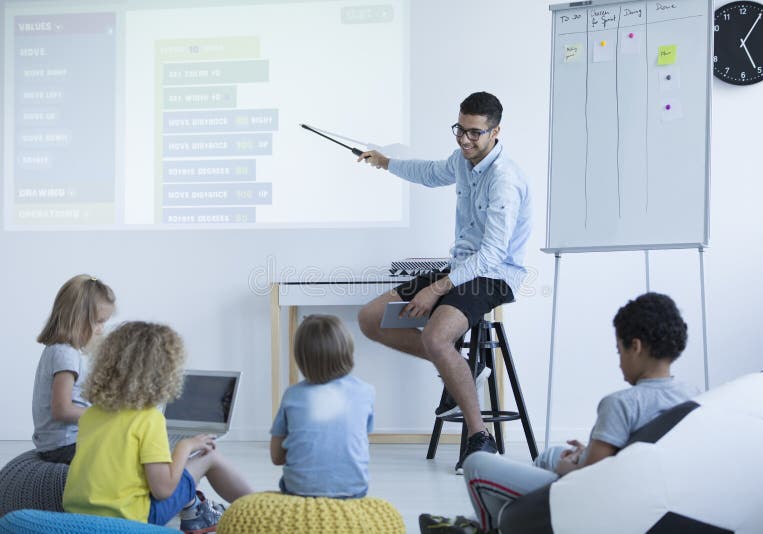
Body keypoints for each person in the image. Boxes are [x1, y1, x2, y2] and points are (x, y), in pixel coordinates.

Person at [420, 292, 700, 533]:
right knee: (551, 455)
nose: (619, 362)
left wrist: (573, 466)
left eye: (619, 351)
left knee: (477, 464)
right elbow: (640, 452)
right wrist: (589, 452)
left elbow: (590, 482)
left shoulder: (621, 403)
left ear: (635, 347)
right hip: (644, 496)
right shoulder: (692, 396)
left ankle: (485, 527)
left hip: (594, 505)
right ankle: (479, 522)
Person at [356, 91, 533, 471]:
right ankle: (464, 368)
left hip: (494, 274)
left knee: (437, 337)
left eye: (474, 133)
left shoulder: (505, 181)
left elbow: (491, 255)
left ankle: (478, 435)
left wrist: (436, 288)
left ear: (495, 132)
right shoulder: (462, 160)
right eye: (460, 130)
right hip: (461, 268)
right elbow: (430, 172)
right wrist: (384, 162)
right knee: (371, 318)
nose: (464, 140)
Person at [62, 321, 253, 532]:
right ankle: (259, 508)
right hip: (130, 520)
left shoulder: (91, 414)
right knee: (209, 457)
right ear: (165, 373)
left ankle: (196, 512)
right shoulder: (149, 419)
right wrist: (185, 447)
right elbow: (163, 489)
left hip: (78, 517)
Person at [271, 314, 375, 498]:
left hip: (299, 490)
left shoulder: (292, 395)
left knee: (286, 480)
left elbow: (276, 457)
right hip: (353, 490)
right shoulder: (365, 392)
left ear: (300, 357)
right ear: (348, 351)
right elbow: (359, 441)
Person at [32, 274, 116, 464]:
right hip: (66, 446)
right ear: (75, 318)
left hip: (61, 444)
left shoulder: (57, 350)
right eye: (98, 321)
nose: (101, 329)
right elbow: (61, 410)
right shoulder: (65, 353)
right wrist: (104, 416)